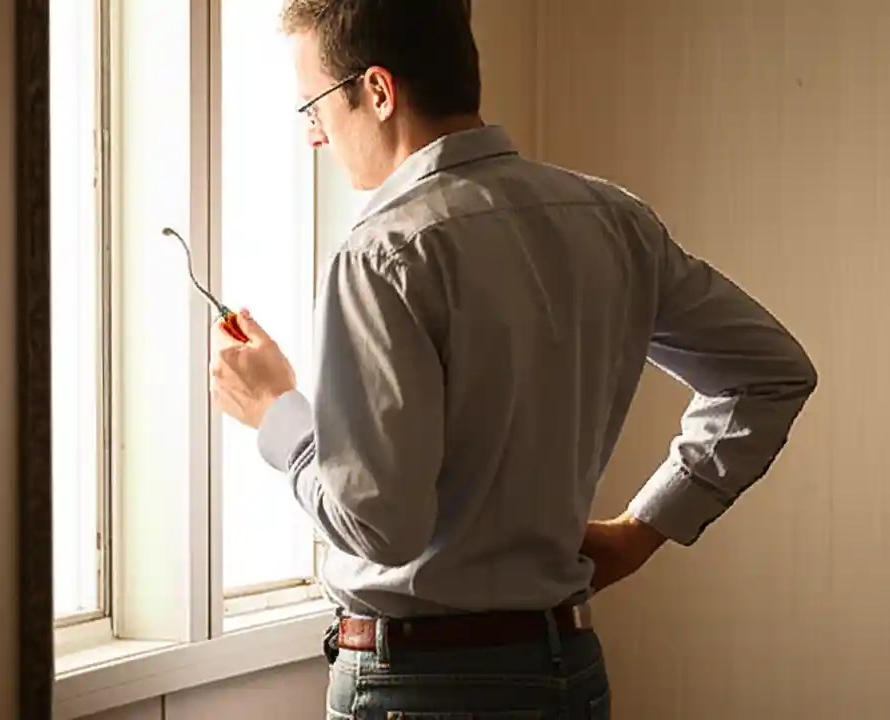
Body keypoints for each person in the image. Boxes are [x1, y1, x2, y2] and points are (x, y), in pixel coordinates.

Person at [208, 1, 818, 717]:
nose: (314, 135)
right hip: (568, 670)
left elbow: (381, 527)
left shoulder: (382, 253)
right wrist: (644, 530)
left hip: (420, 687)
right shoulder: (611, 220)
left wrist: (276, 413)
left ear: (377, 91)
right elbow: (770, 371)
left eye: (313, 106)